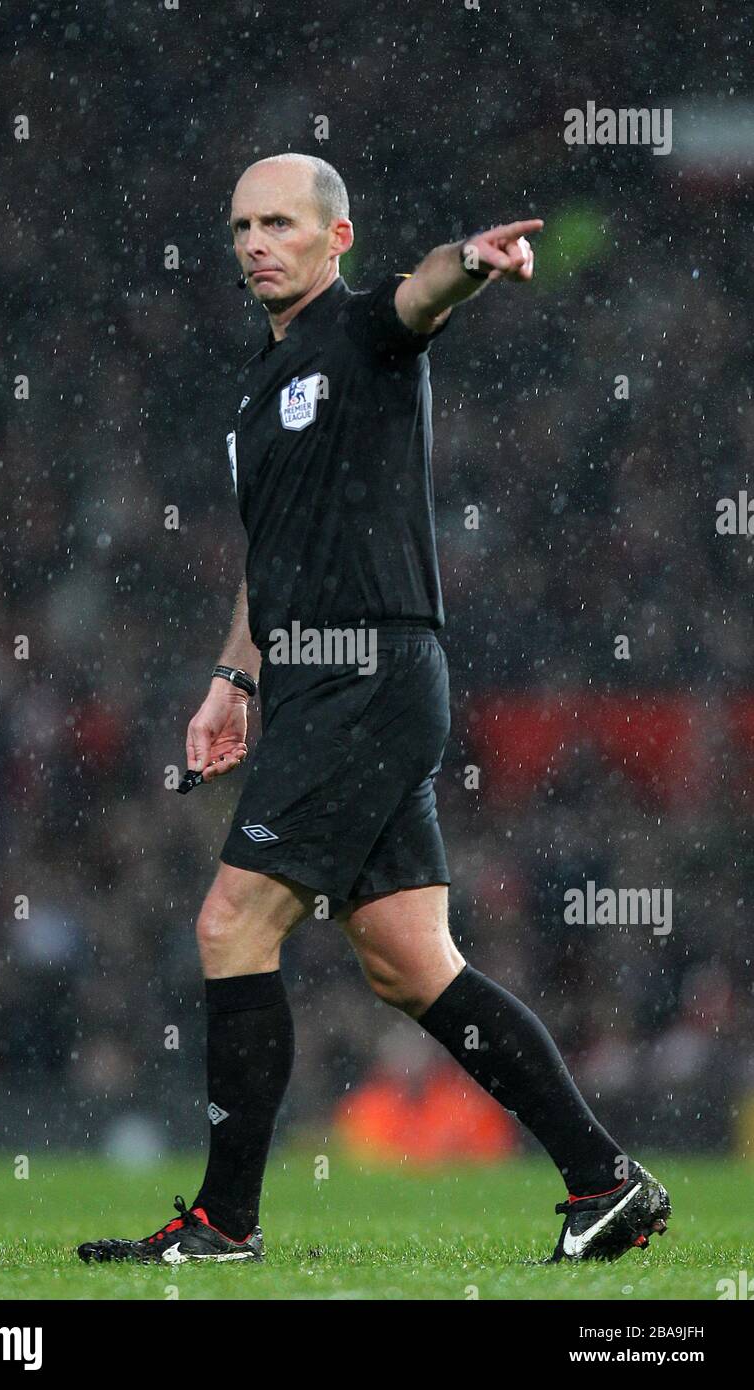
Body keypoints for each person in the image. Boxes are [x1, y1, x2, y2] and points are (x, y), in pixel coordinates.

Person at [78, 153, 670, 1267]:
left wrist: (472, 265)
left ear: (334, 239)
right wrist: (232, 680)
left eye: (282, 224)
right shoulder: (257, 388)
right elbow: (272, 557)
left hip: (369, 674)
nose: (258, 243)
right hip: (311, 682)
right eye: (242, 225)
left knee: (230, 923)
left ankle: (222, 1222)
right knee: (407, 959)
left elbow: (419, 293)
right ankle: (606, 1182)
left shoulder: (359, 334)